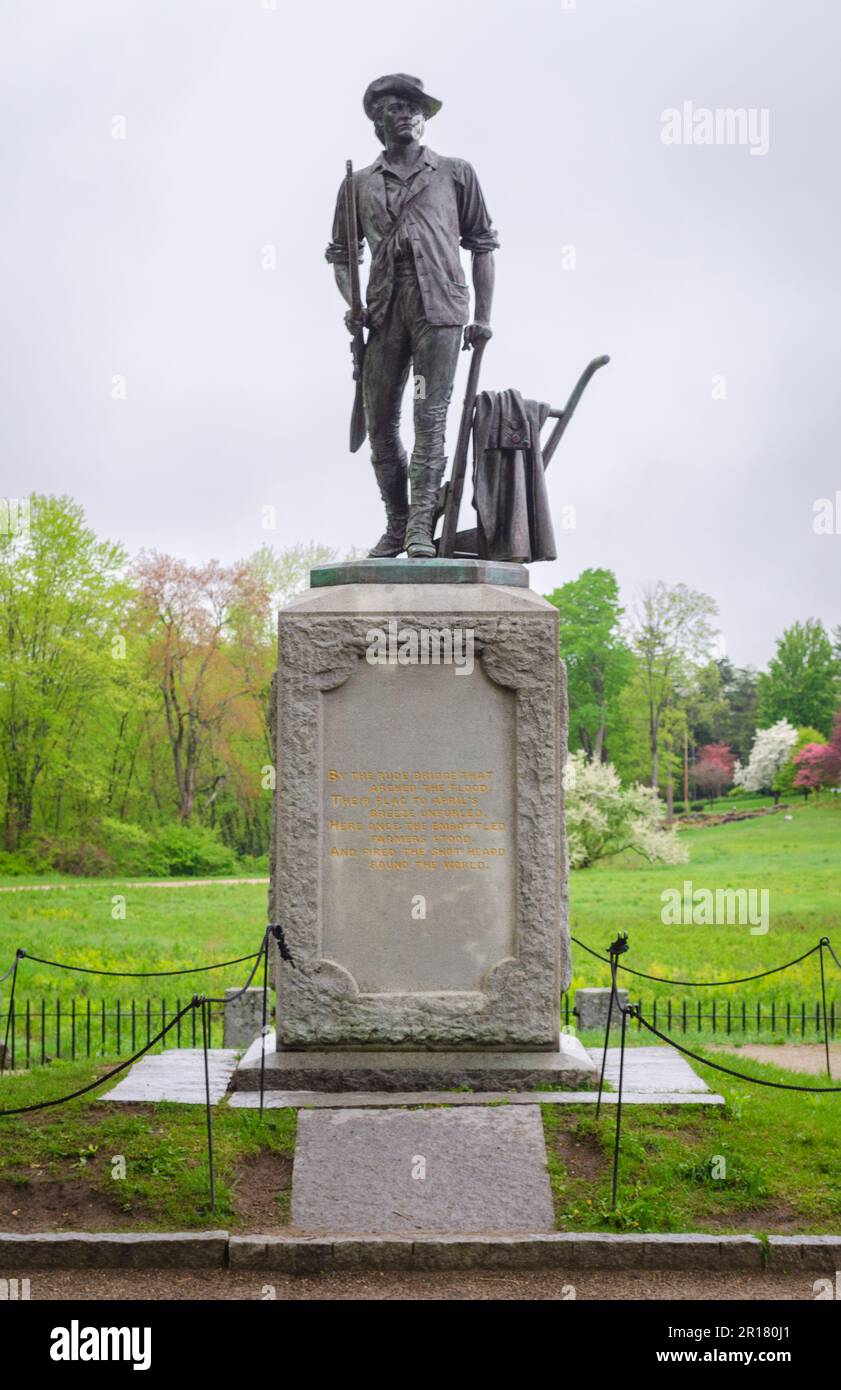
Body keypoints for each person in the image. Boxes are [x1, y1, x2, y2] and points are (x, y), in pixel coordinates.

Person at [326, 73, 499, 558]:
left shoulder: (455, 173)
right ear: (378, 122)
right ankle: (397, 521)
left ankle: (421, 525)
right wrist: (353, 304)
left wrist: (482, 316)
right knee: (379, 422)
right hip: (383, 312)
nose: (406, 115)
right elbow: (342, 254)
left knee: (431, 415)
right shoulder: (356, 185)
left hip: (440, 307)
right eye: (395, 109)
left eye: (414, 108)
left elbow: (482, 244)